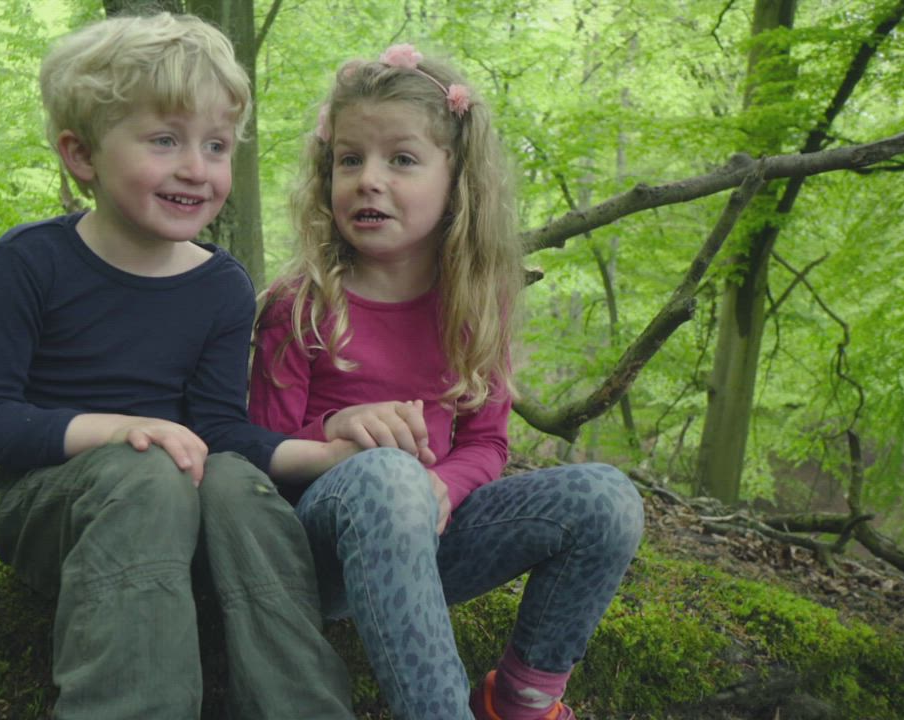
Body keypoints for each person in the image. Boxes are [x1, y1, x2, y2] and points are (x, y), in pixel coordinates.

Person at [0, 13, 358, 720]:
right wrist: (115, 429)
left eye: (217, 145)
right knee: (146, 470)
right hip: (52, 506)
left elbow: (221, 432)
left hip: (182, 506)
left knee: (236, 481)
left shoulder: (222, 287)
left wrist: (324, 455)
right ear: (82, 156)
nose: (196, 168)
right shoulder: (30, 261)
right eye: (164, 140)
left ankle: (300, 706)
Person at [249, 44, 645, 720]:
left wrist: (441, 485)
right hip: (310, 555)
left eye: (401, 159)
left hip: (431, 540)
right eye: (350, 159)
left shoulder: (472, 302)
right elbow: (254, 459)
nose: (368, 179)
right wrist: (336, 435)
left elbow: (488, 445)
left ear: (456, 179)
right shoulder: (302, 303)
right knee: (385, 474)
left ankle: (520, 701)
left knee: (604, 498)